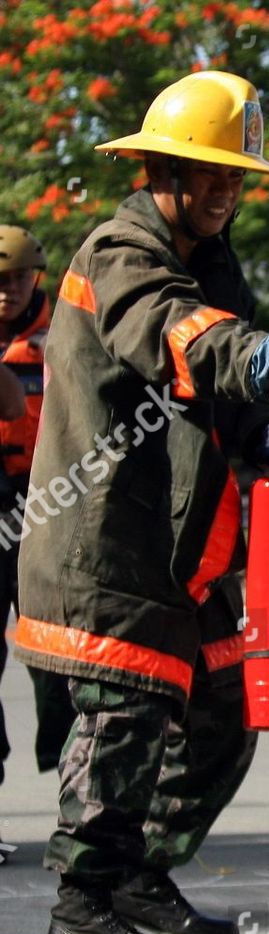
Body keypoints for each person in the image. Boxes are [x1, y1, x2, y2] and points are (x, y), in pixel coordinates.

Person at [13, 71, 269, 934]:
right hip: (106, 540)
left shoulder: (212, 262)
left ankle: (142, 879)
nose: (228, 191)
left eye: (238, 177)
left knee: (226, 707)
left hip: (184, 546)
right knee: (123, 720)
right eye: (212, 174)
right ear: (162, 170)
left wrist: (268, 423)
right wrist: (258, 354)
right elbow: (173, 333)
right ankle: (79, 910)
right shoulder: (121, 251)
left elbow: (222, 387)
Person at [0, 225, 42, 863]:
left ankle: (100, 827)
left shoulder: (69, 338)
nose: (5, 292)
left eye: (15, 278)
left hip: (50, 516)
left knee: (72, 675)